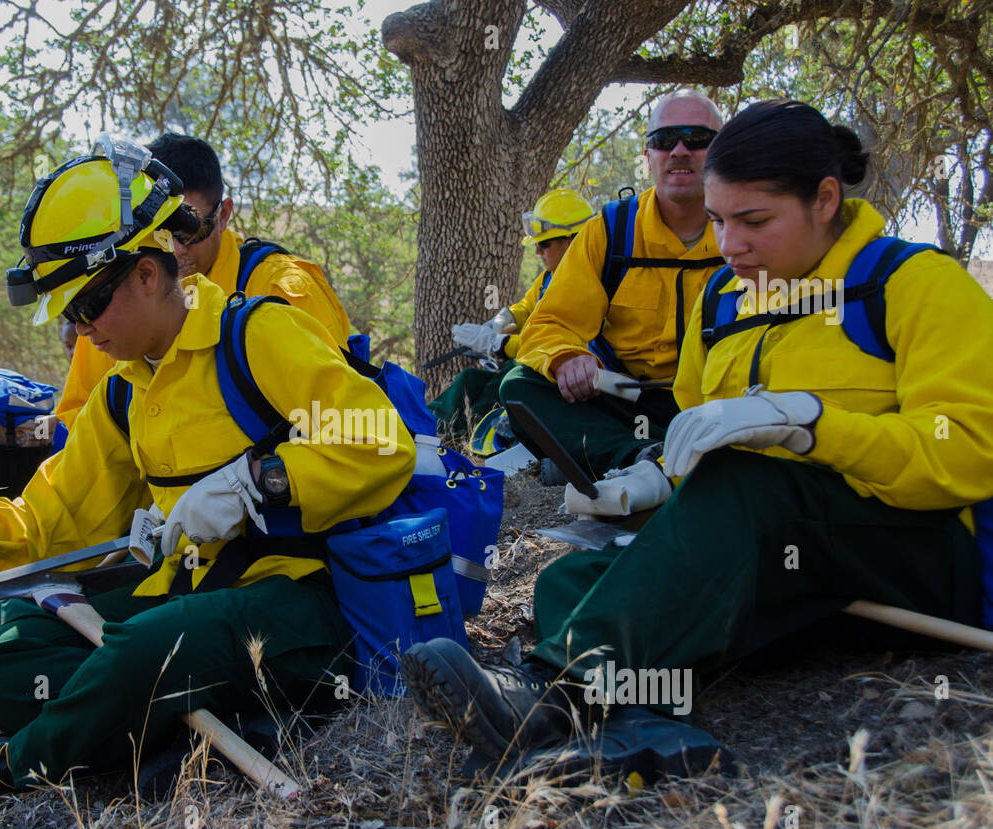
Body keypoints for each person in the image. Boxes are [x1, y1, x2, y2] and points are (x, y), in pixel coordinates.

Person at [402, 99, 993, 785]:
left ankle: (554, 694)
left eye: (754, 220)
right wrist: (659, 480)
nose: (729, 244)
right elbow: (696, 434)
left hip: (916, 563)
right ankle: (633, 727)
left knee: (753, 481)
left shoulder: (913, 284)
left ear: (825, 199)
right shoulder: (722, 303)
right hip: (801, 575)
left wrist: (810, 427)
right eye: (717, 220)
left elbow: (968, 455)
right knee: (577, 577)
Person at [0, 143, 415, 829]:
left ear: (148, 274)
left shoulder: (258, 335)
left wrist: (259, 481)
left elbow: (383, 443)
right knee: (1, 657)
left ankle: (0, 769)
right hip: (189, 592)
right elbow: (56, 511)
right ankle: (171, 732)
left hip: (301, 602)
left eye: (89, 304)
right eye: (71, 314)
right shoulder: (122, 392)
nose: (81, 330)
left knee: (143, 649)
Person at [52, 132, 352, 428]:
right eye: (159, 234)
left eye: (189, 230)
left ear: (223, 215)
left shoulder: (282, 290)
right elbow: (78, 416)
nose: (175, 251)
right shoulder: (117, 303)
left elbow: (343, 424)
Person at [499, 90, 726, 480]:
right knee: (520, 385)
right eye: (664, 140)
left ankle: (604, 456)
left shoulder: (747, 228)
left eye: (697, 139)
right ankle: (640, 458)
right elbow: (548, 324)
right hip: (622, 396)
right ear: (648, 156)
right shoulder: (610, 229)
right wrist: (567, 357)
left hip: (714, 403)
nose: (680, 151)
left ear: (724, 152)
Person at [428, 188, 594, 440]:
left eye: (544, 244)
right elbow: (527, 308)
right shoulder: (550, 277)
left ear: (570, 243)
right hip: (535, 368)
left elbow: (554, 343)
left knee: (501, 385)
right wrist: (504, 320)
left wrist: (502, 344)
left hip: (556, 377)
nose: (538, 251)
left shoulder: (590, 284)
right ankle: (420, 425)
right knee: (470, 378)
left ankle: (450, 438)